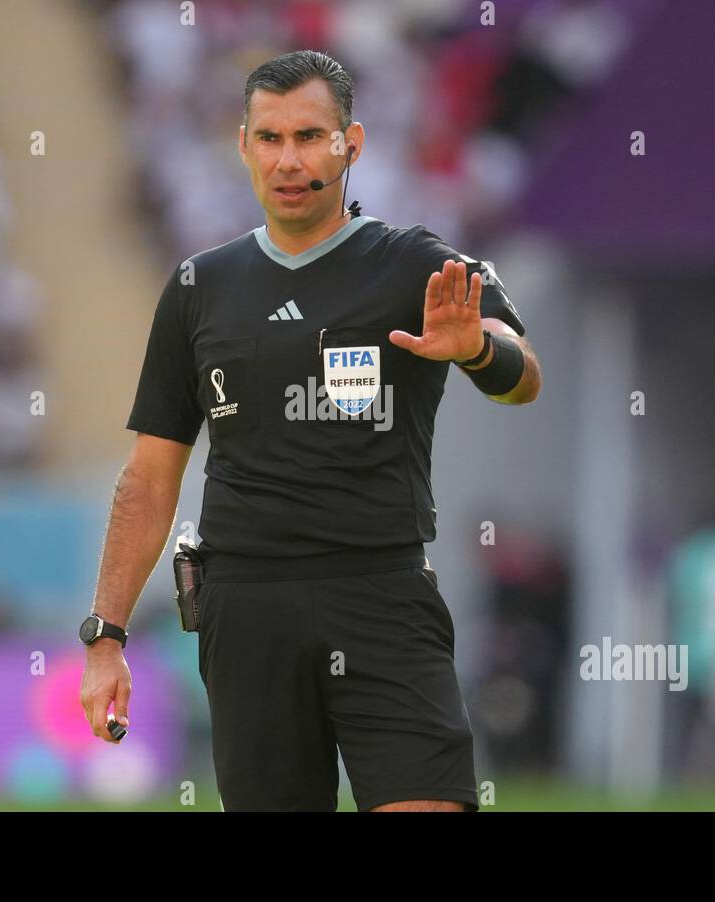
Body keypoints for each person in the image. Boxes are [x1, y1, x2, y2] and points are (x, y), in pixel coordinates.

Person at [80, 50, 542, 812]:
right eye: (270, 138)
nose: (288, 160)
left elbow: (524, 375)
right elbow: (149, 479)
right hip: (248, 606)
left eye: (309, 137)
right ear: (243, 147)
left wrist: (477, 351)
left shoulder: (413, 265)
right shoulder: (199, 288)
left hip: (383, 595)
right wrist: (107, 637)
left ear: (350, 145)